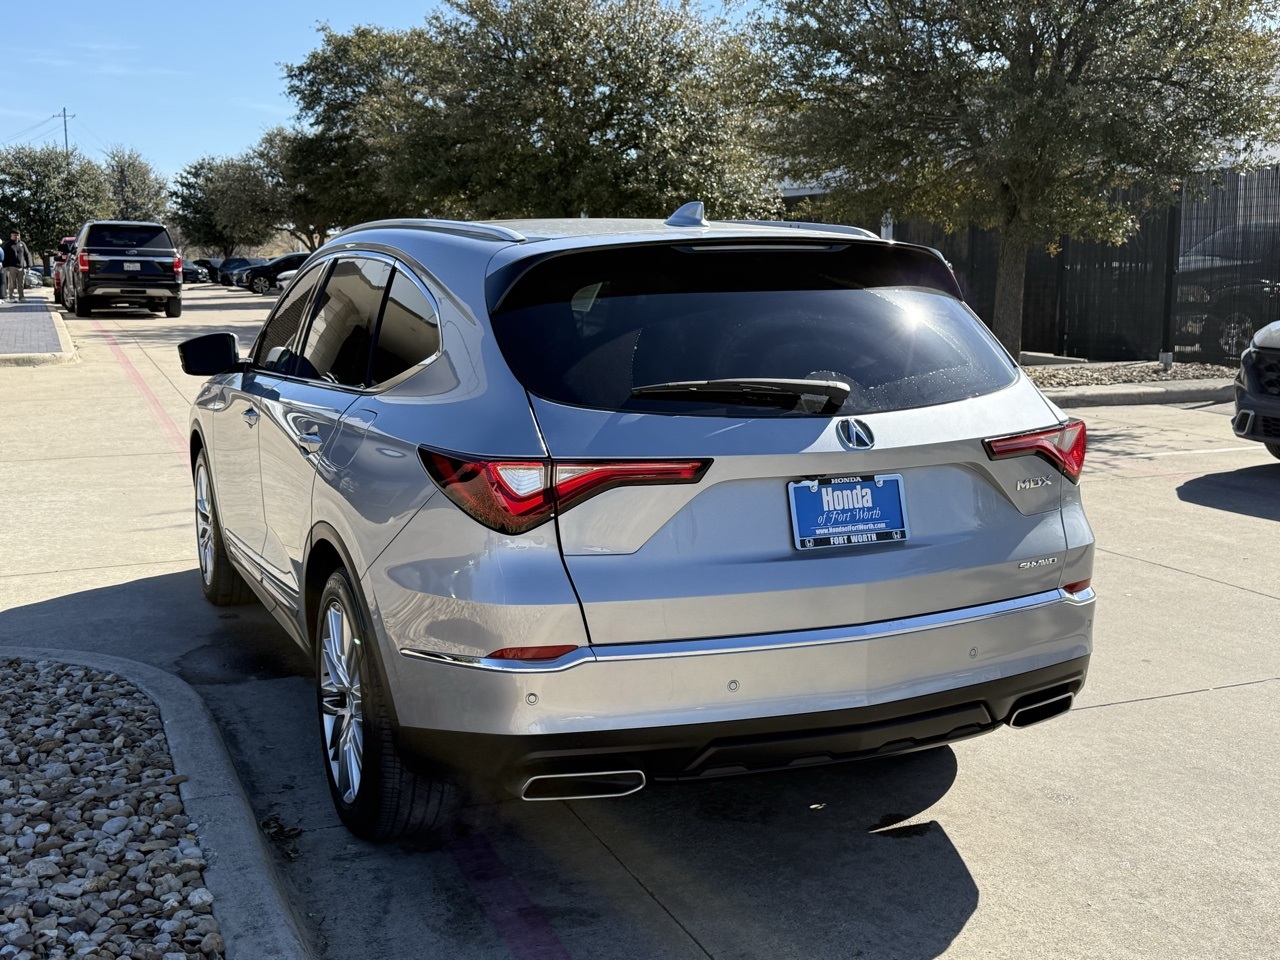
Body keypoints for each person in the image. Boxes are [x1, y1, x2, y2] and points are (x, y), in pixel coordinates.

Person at [2, 230, 32, 302]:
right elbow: (4, 256)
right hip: (11, 266)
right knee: (11, 283)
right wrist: (4, 266)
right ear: (11, 236)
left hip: (21, 267)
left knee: (21, 283)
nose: (17, 237)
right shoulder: (7, 244)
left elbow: (27, 254)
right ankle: (11, 297)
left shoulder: (22, 244)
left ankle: (21, 297)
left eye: (18, 235)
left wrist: (28, 265)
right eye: (15, 235)